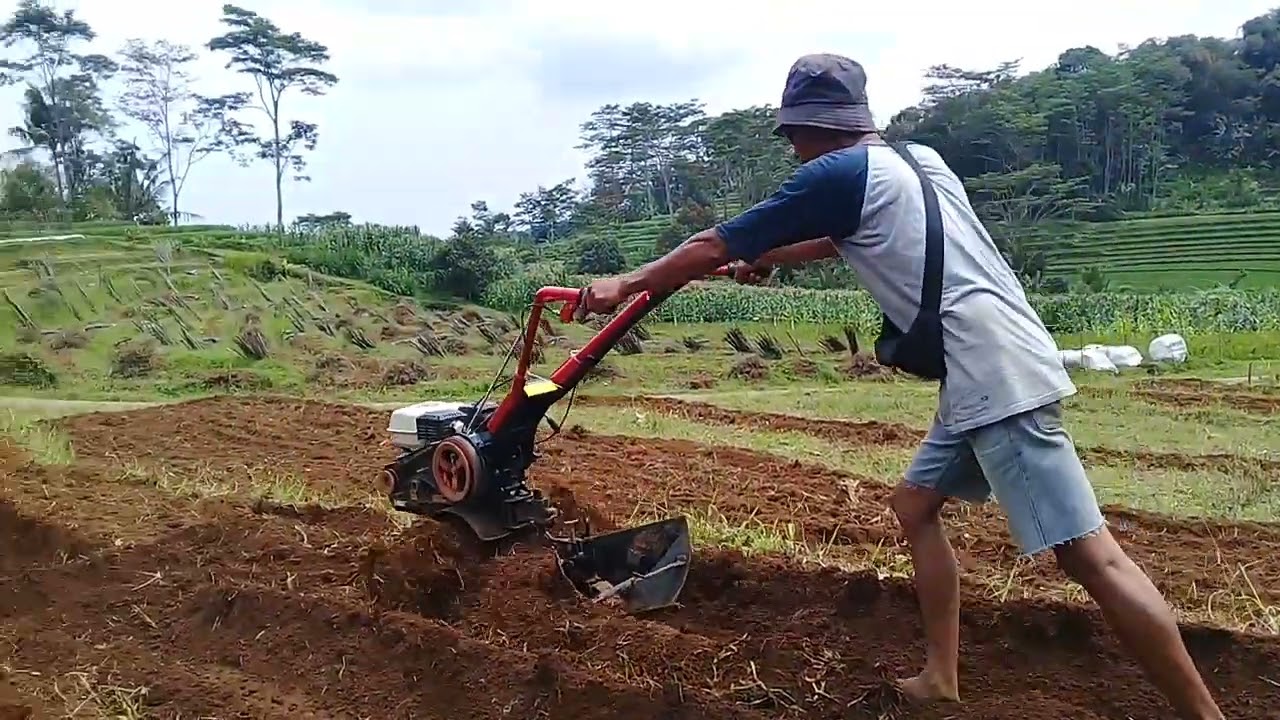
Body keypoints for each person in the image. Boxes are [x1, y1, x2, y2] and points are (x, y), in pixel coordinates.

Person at [577, 53, 1225, 719]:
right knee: (914, 506)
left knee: (1093, 560)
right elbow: (842, 239)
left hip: (993, 372)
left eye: (791, 136)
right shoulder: (915, 160)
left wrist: (627, 282)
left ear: (807, 127)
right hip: (985, 359)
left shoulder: (834, 171)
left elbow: (712, 244)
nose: (793, 150)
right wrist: (765, 258)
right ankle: (940, 677)